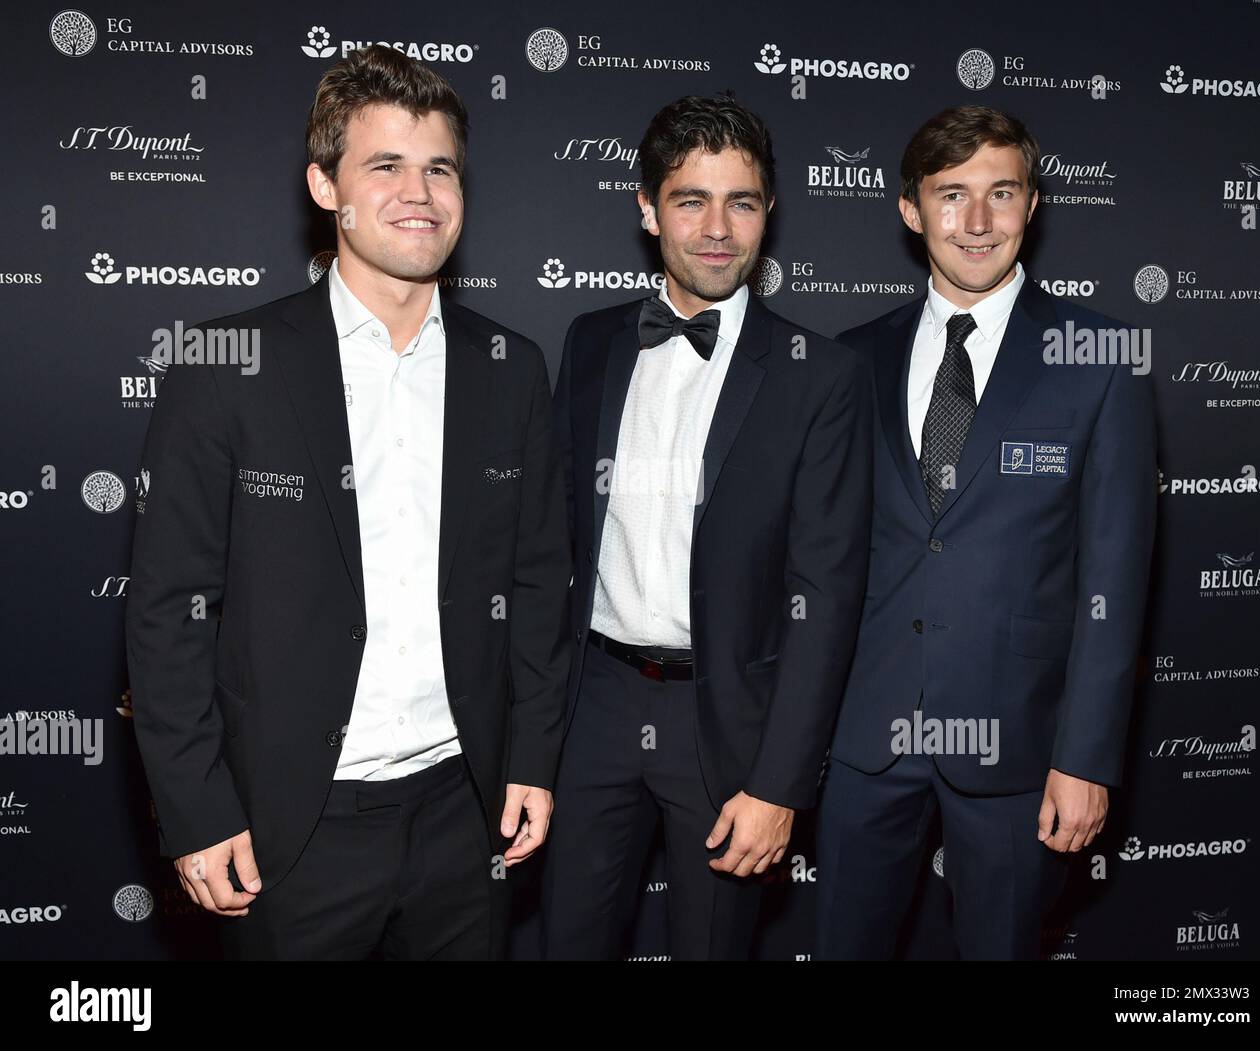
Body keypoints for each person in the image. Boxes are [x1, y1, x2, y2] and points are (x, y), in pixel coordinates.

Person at [124, 45, 570, 960]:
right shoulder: (226, 366)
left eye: (439, 167)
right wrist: (197, 809)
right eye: (386, 166)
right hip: (294, 821)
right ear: (326, 187)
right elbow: (168, 608)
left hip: (465, 809)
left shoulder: (511, 367)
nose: (420, 191)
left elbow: (534, 584)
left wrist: (531, 759)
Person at [819, 105, 1156, 959]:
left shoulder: (1100, 359)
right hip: (865, 738)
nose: (976, 222)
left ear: (1031, 204)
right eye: (951, 194)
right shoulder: (849, 360)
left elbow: (1114, 578)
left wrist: (1086, 758)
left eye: (999, 193)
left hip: (1021, 744)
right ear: (909, 209)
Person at [543, 93, 871, 960]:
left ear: (770, 212)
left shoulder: (821, 377)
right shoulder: (592, 341)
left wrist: (780, 781)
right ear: (648, 210)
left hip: (728, 721)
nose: (719, 228)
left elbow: (828, 595)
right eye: (691, 199)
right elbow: (551, 545)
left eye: (744, 201)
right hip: (594, 705)